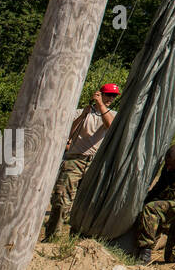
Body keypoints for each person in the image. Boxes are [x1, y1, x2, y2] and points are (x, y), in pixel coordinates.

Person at [43, 82, 119, 240]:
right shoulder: (83, 112)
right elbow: (68, 132)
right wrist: (83, 115)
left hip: (95, 163)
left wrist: (100, 105)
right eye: (108, 95)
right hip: (75, 160)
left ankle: (78, 237)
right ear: (100, 94)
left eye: (114, 96)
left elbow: (110, 125)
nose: (110, 99)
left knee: (87, 202)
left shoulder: (113, 115)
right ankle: (53, 236)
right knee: (61, 198)